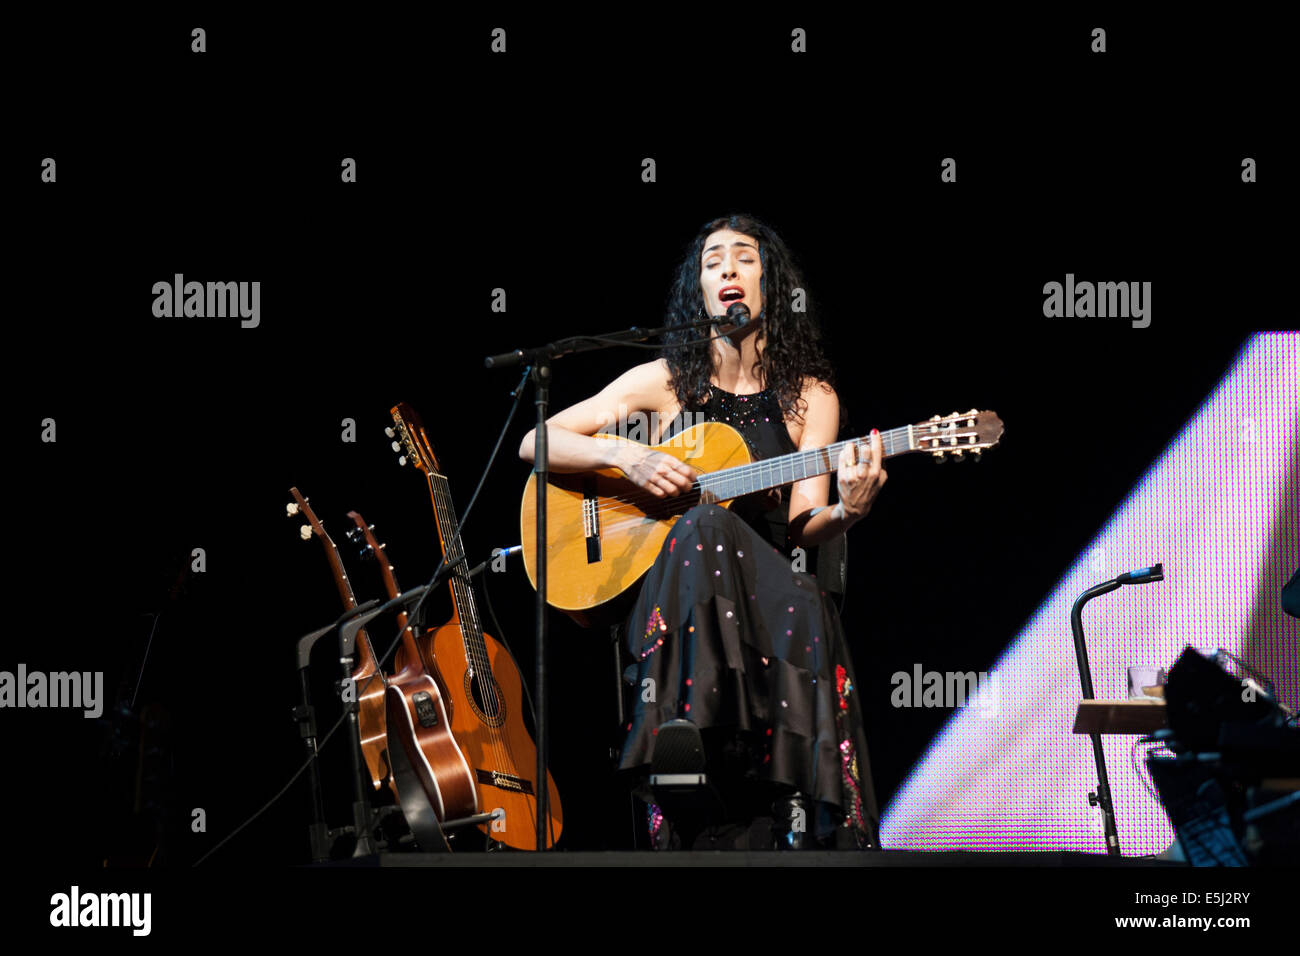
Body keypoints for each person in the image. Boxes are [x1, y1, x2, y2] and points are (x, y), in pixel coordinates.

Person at [518, 213, 887, 849]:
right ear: (701, 290)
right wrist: (625, 456)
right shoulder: (665, 381)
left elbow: (806, 523)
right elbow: (536, 441)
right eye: (713, 263)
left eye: (744, 259)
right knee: (704, 523)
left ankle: (745, 771)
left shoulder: (809, 396)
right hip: (671, 600)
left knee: (755, 557)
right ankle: (686, 739)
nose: (728, 272)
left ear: (770, 284)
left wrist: (849, 511)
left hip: (771, 604)